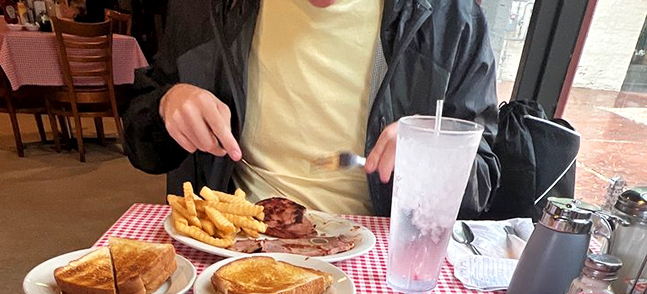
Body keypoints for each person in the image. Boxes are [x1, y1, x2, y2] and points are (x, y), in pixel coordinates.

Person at [123, 0, 500, 219]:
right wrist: (166, 106)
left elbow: (482, 182)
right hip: (234, 238)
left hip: (378, 260)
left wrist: (435, 156)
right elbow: (143, 146)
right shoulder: (205, 8)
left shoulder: (450, 19)